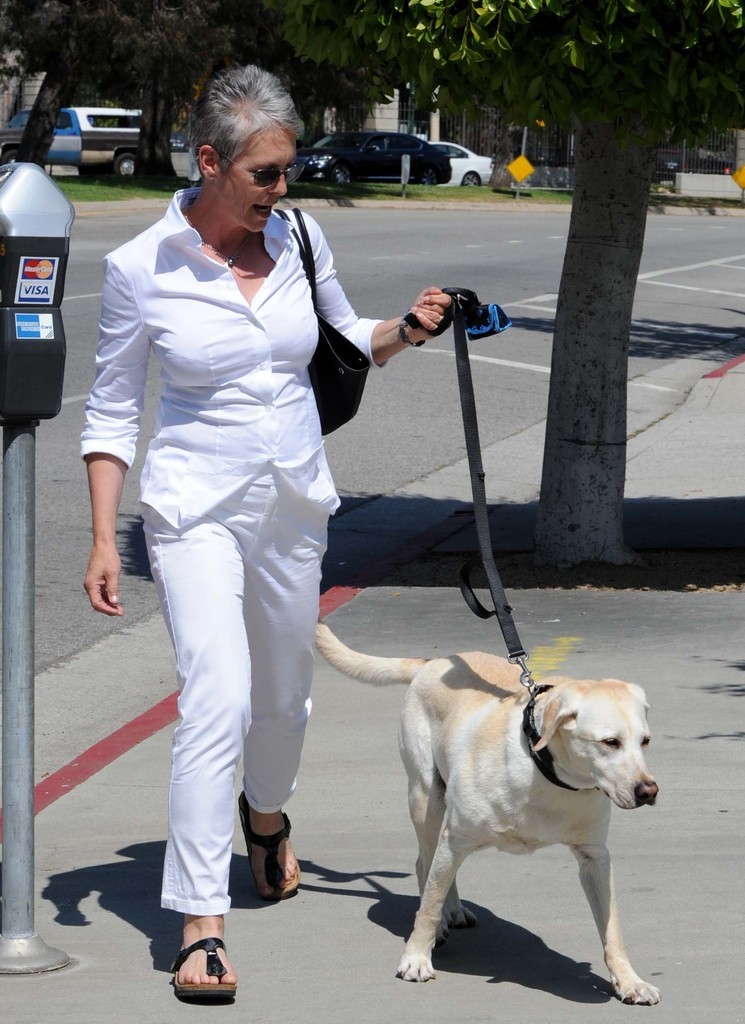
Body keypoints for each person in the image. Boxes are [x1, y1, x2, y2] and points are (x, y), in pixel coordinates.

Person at [81, 64, 451, 1002]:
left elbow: (344, 336)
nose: (282, 190)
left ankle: (267, 816)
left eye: (288, 171)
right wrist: (99, 538)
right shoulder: (140, 268)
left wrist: (405, 328)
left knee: (282, 700)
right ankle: (200, 924)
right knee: (216, 695)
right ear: (209, 162)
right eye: (265, 174)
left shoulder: (299, 238)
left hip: (292, 500)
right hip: (194, 507)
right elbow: (111, 412)